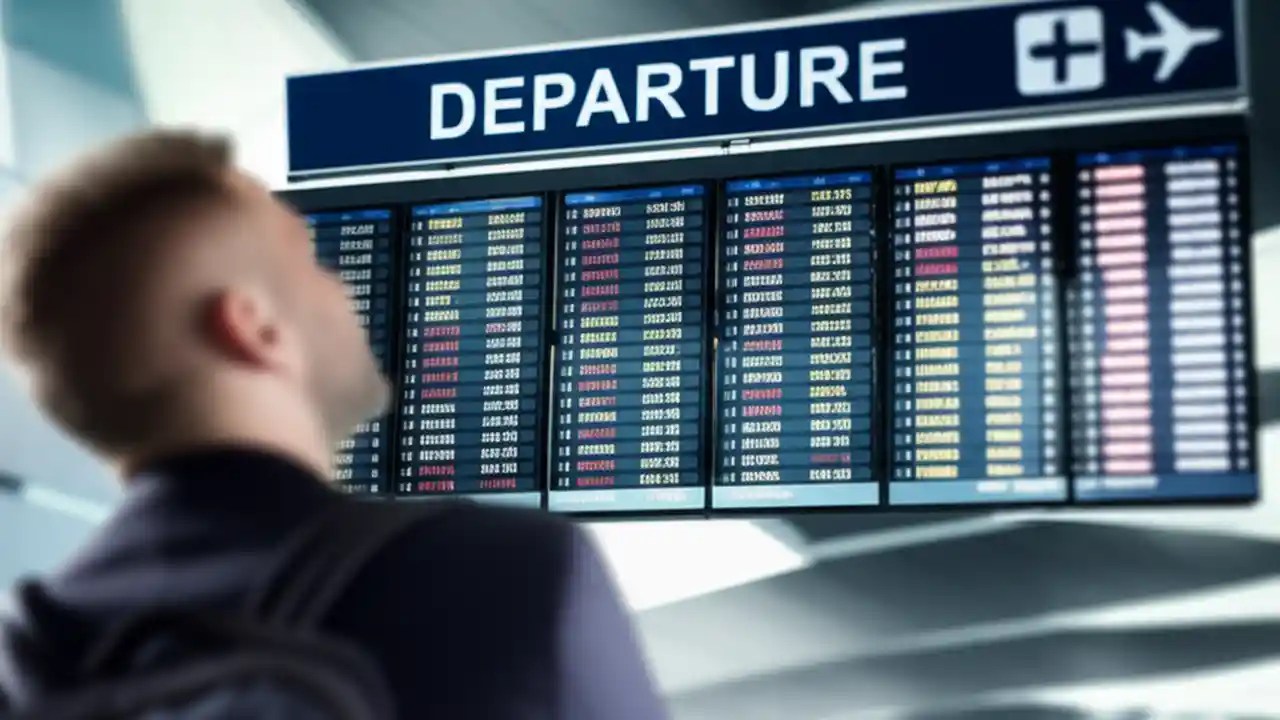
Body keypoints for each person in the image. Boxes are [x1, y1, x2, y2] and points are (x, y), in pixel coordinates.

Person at [0, 130, 668, 718]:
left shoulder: (29, 661)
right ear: (255, 328)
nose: (345, 287)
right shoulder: (496, 574)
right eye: (313, 262)